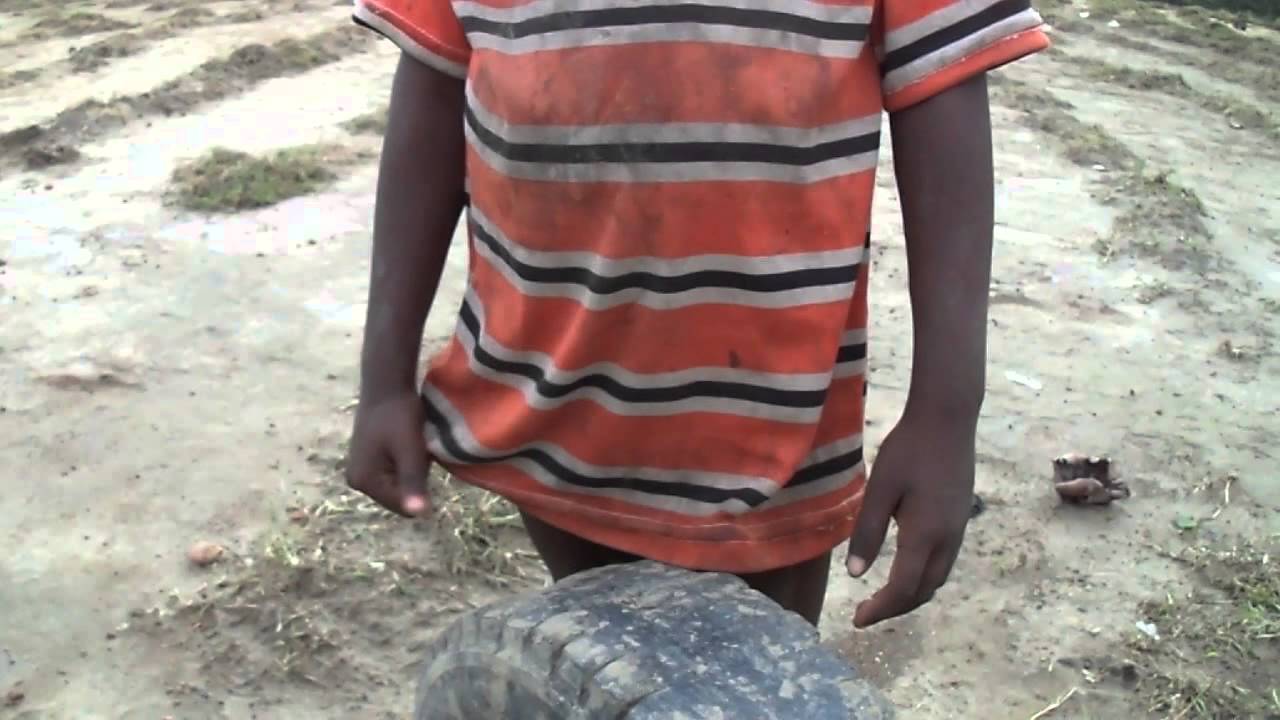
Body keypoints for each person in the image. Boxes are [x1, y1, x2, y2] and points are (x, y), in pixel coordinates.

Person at [345, 0, 1049, 628]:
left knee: (752, 679)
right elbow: (434, 91)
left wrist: (945, 413)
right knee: (598, 653)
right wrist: (381, 378)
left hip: (765, 440)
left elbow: (946, 94)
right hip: (546, 412)